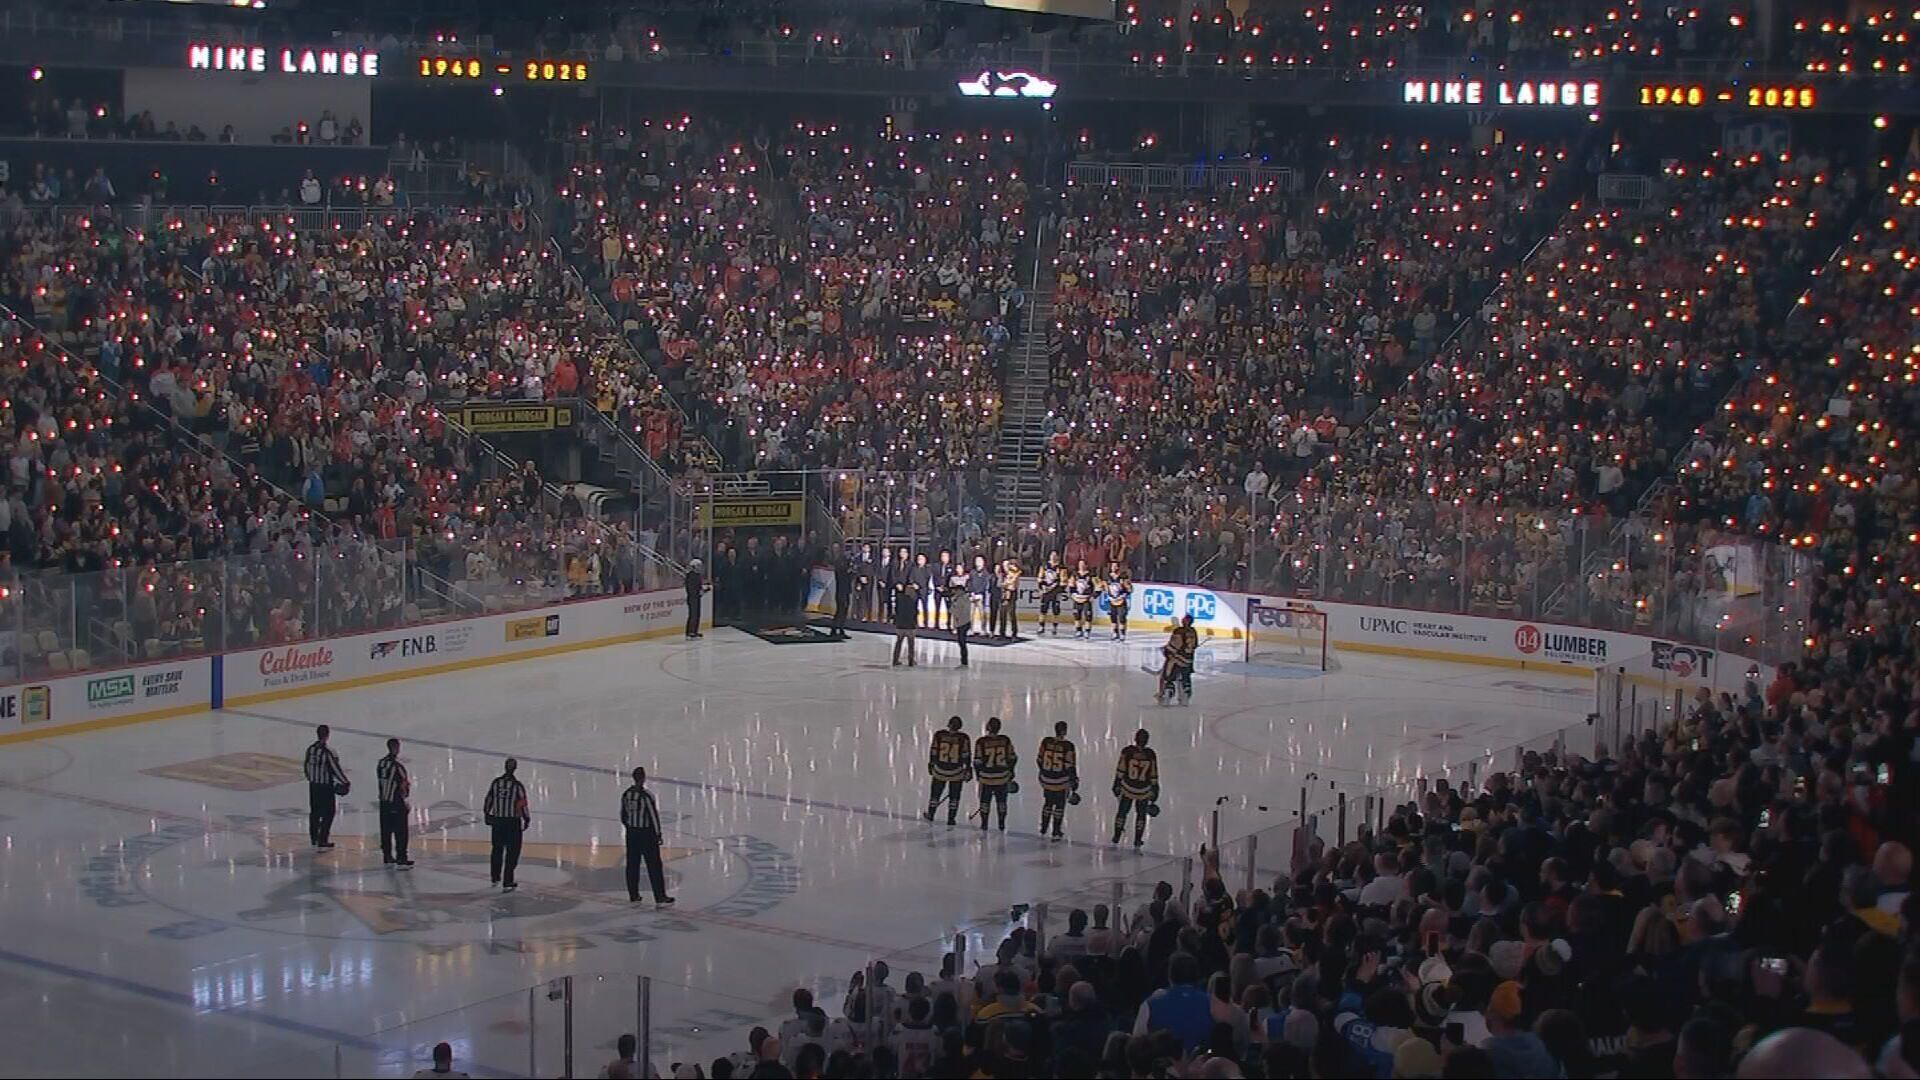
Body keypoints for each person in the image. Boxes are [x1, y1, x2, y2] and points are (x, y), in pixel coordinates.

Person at [621, 767, 674, 906]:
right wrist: (658, 834)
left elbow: (623, 815)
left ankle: (633, 895)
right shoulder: (646, 796)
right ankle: (660, 896)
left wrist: (629, 828)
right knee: (654, 865)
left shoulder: (627, 794)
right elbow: (653, 816)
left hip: (632, 833)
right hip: (646, 834)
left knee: (632, 864)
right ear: (643, 778)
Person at [484, 758, 531, 890]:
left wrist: (487, 814)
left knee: (497, 850)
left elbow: (489, 799)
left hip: (498, 821)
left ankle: (495, 876)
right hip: (512, 823)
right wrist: (526, 819)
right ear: (515, 768)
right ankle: (508, 880)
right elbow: (522, 804)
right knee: (512, 852)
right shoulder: (517, 786)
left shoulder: (496, 783)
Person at [303, 724, 347, 850]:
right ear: (327, 735)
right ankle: (322, 839)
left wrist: (311, 779)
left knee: (315, 812)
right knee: (329, 812)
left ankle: (314, 838)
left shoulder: (310, 749)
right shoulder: (328, 752)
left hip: (314, 785)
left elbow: (306, 766)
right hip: (326, 787)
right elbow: (335, 769)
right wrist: (345, 782)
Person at [1112, 729, 1159, 848]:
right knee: (1141, 815)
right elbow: (1153, 774)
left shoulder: (1127, 751)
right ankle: (1138, 840)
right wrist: (1155, 789)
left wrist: (1116, 783)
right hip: (1143, 790)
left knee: (1122, 812)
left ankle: (1116, 836)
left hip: (1128, 788)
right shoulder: (1150, 754)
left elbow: (1121, 769)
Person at [923, 716, 972, 826]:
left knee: (935, 794)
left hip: (940, 771)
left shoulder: (939, 735)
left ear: (949, 724)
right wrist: (968, 769)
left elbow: (934, 751)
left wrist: (931, 764)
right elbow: (966, 755)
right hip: (956, 772)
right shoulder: (964, 738)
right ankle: (951, 819)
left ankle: (931, 814)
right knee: (954, 796)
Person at [1037, 721, 1080, 841]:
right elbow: (1070, 766)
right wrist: (1074, 781)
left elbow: (1039, 760)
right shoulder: (1068, 746)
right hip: (1061, 781)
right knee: (1060, 805)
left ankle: (1044, 827)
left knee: (1048, 802)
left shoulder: (1046, 742)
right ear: (1064, 731)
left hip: (1046, 780)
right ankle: (1056, 830)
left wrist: (1044, 773)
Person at [973, 717, 1017, 831]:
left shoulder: (981, 742)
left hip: (986, 777)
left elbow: (977, 761)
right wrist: (1011, 772)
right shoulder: (1005, 740)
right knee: (1002, 801)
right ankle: (1001, 824)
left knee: (984, 802)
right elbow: (1012, 758)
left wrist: (978, 775)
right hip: (1002, 777)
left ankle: (984, 824)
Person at [377, 737, 412, 868]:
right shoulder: (398, 767)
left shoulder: (380, 764)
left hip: (383, 802)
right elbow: (404, 787)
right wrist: (404, 799)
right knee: (401, 831)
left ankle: (387, 855)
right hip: (396, 803)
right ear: (396, 748)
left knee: (385, 830)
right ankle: (401, 857)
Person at [1158, 614, 1200, 706]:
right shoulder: (1193, 631)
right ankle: (1185, 697)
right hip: (1188, 660)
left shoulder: (1178, 631)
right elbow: (1195, 645)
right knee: (1185, 679)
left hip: (1175, 660)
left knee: (1169, 677)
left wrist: (1166, 651)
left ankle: (1167, 695)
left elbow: (1173, 646)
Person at [892, 579, 920, 667]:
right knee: (911, 644)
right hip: (910, 626)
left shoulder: (899, 599)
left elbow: (896, 611)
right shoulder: (913, 601)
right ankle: (911, 661)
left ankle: (895, 660)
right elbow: (915, 613)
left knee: (898, 643)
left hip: (900, 625)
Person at [1038, 553, 1064, 635]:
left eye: (1055, 556)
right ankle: (1041, 626)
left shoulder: (1061, 568)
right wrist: (1042, 587)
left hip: (1056, 592)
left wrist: (1058, 589)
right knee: (1043, 609)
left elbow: (1063, 581)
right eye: (1052, 555)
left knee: (1055, 610)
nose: (1053, 557)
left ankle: (1054, 627)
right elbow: (1040, 577)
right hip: (1045, 591)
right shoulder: (1045, 566)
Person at [1070, 560, 1097, 639]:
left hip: (1086, 598)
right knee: (1077, 615)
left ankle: (1087, 631)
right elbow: (1071, 585)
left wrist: (1094, 596)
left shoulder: (1091, 575)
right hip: (1077, 598)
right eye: (1079, 564)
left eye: (1082, 564)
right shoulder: (1075, 574)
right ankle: (1078, 630)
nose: (1081, 566)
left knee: (1088, 615)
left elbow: (1098, 586)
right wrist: (1073, 594)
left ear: (1086, 565)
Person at [948, 579, 972, 668]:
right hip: (963, 622)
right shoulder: (962, 599)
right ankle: (964, 661)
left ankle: (964, 662)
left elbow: (954, 611)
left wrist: (953, 604)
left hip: (963, 623)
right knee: (961, 642)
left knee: (962, 642)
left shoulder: (962, 600)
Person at [831, 550, 854, 639]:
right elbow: (843, 578)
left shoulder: (845, 568)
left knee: (844, 611)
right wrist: (849, 571)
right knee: (840, 611)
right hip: (841, 592)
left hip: (846, 591)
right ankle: (834, 629)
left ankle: (840, 629)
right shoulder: (840, 569)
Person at [997, 558, 1021, 638]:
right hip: (1003, 595)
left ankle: (1014, 632)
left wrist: (1009, 583)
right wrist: (1006, 584)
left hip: (1012, 595)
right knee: (1002, 614)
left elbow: (1015, 586)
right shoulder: (1002, 575)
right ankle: (1002, 633)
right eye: (1004, 565)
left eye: (1007, 565)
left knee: (1011, 614)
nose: (1006, 567)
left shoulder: (1015, 574)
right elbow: (999, 584)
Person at [1105, 570, 1131, 641]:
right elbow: (1106, 588)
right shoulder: (1108, 578)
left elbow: (1129, 590)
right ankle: (1115, 633)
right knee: (1113, 617)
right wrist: (1109, 596)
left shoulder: (1123, 578)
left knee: (1122, 617)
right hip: (1112, 601)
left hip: (1121, 601)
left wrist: (1122, 596)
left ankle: (1122, 634)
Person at [684, 559, 705, 639]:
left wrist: (704, 590)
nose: (700, 568)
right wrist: (697, 593)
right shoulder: (690, 575)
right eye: (698, 566)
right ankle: (690, 632)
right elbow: (690, 588)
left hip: (697, 597)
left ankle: (695, 631)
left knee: (697, 614)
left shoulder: (698, 575)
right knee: (693, 614)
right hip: (692, 598)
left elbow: (699, 587)